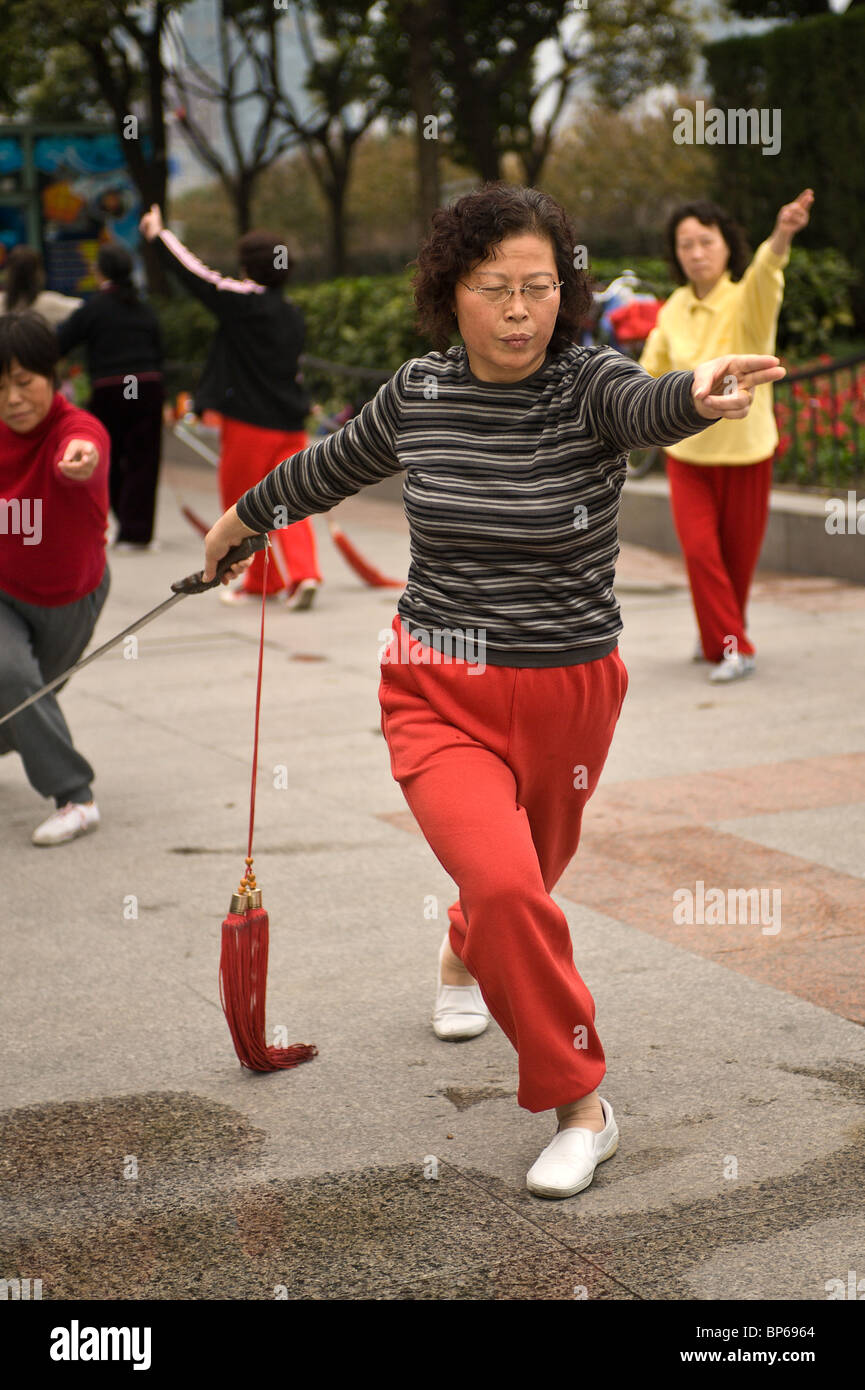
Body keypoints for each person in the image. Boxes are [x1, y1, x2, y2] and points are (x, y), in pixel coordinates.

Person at [197, 183, 782, 1199]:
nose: (520, 311)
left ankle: (461, 956)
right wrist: (241, 519)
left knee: (520, 885)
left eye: (540, 288)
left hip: (570, 690)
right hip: (437, 686)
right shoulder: (418, 392)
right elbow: (333, 464)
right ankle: (582, 1104)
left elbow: (647, 406)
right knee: (511, 885)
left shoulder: (587, 381)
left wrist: (696, 392)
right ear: (449, 292)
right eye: (494, 289)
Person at [640, 190, 814, 683]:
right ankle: (732, 645)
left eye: (705, 241)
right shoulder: (671, 308)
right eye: (685, 244)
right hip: (687, 453)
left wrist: (782, 233)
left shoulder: (746, 300)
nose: (695, 252)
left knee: (737, 562)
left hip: (746, 453)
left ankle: (725, 637)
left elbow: (766, 274)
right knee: (699, 553)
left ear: (725, 245)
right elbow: (648, 371)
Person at [137, 205, 323, 610]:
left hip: (250, 426)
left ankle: (263, 582)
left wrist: (159, 235)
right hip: (291, 423)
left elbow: (197, 276)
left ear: (246, 267)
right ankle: (303, 574)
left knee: (243, 505)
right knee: (290, 501)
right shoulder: (292, 314)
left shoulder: (244, 303)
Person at [0, 311, 111, 845]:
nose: (13, 400)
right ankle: (76, 796)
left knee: (24, 700)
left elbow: (86, 447)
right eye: (0, 388)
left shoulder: (76, 430)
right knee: (14, 676)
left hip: (72, 597)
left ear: (54, 375)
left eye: (25, 383)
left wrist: (81, 459)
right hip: (3, 590)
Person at [56, 243, 165, 549]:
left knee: (111, 457)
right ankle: (139, 531)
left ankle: (125, 525)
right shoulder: (144, 308)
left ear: (99, 271)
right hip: (147, 387)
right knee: (145, 461)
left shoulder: (93, 309)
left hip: (112, 389)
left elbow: (58, 343)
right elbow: (159, 352)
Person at [0, 245, 83, 326]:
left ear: (8, 273)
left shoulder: (2, 302)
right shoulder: (49, 302)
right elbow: (84, 308)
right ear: (38, 274)